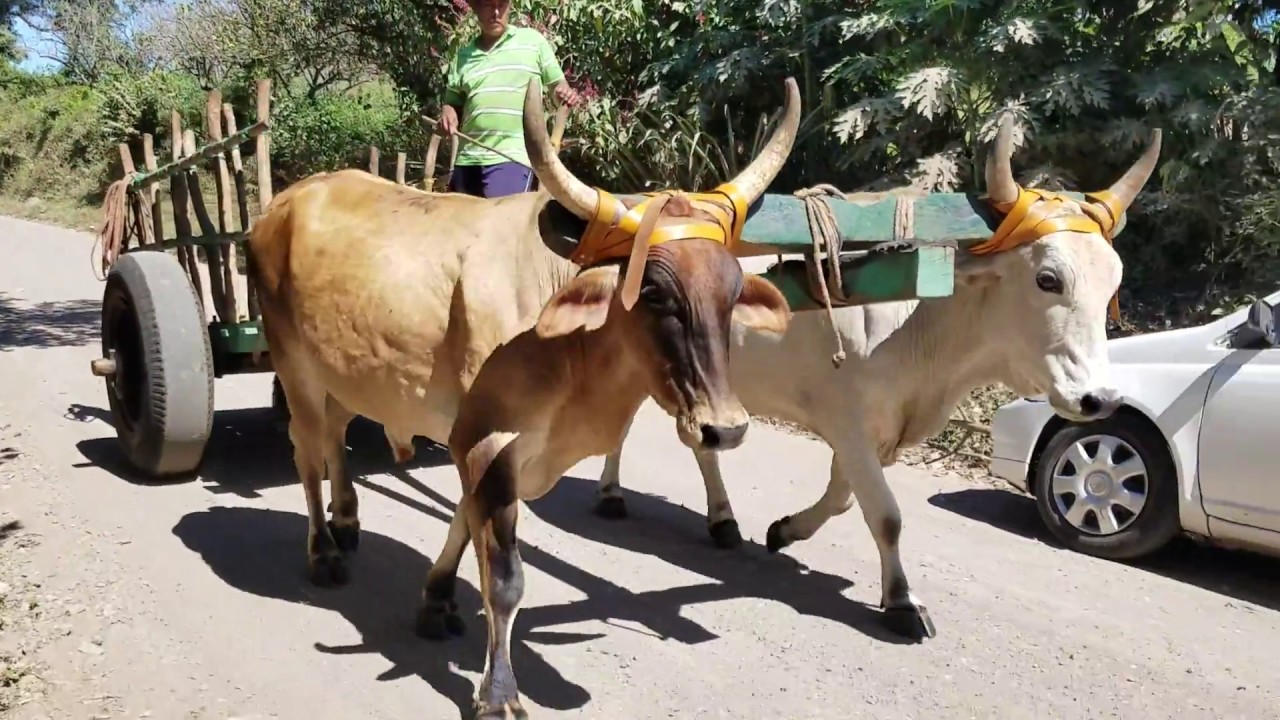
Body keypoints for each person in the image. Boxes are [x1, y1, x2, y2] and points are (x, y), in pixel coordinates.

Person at [438, 0, 583, 199]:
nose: (496, 12)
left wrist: (564, 95)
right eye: (488, 5)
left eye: (502, 5)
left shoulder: (533, 42)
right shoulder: (463, 56)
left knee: (500, 227)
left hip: (512, 159)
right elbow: (452, 103)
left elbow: (558, 88)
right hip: (467, 160)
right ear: (475, 8)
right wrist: (448, 114)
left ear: (510, 6)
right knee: (458, 228)